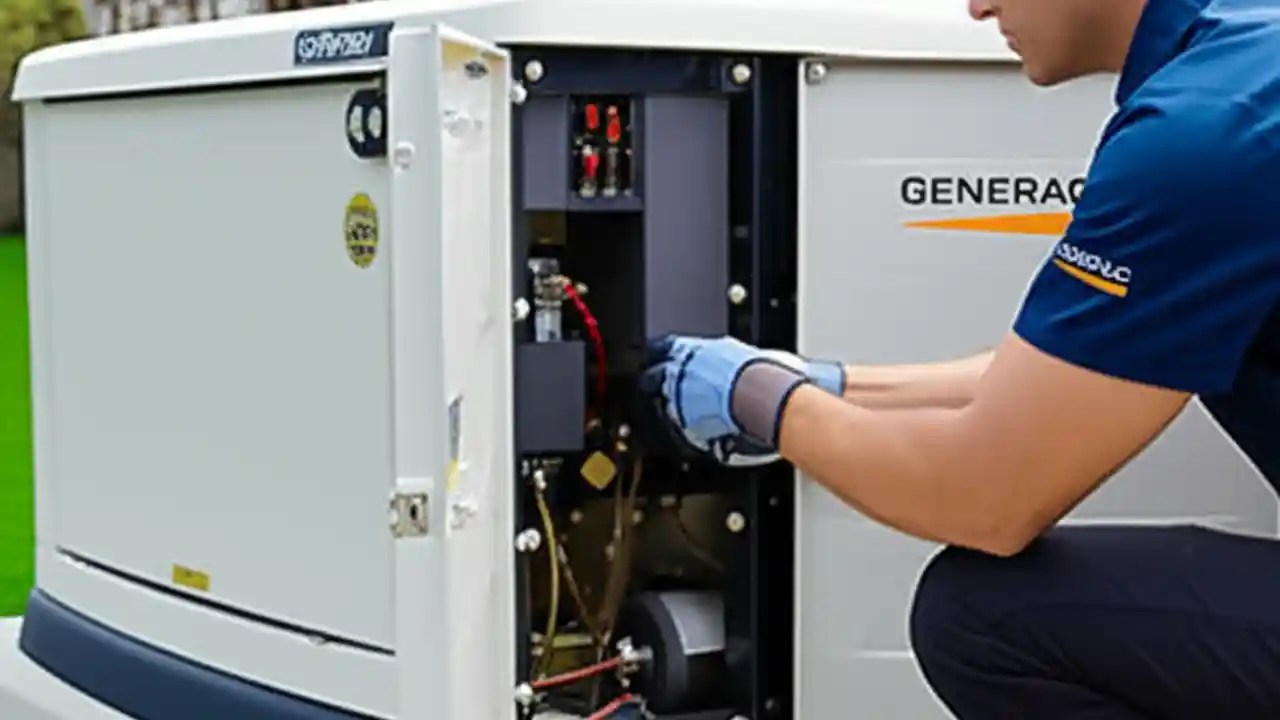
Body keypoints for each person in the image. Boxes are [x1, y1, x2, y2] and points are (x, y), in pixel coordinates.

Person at [638, 0, 1280, 717]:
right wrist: (835, 386)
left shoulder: (1205, 132)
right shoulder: (1249, 63)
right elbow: (1081, 374)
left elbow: (986, 500)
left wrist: (764, 401)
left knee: (985, 617)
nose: (976, 7)